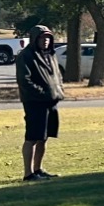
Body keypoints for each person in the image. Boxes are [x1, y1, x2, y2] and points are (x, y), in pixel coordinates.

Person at [16, 25, 64, 183]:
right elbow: (25, 80)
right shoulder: (26, 56)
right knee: (32, 137)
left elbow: (57, 75)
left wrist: (58, 90)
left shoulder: (51, 54)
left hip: (51, 101)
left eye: (48, 38)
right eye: (42, 38)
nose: (46, 41)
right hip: (34, 102)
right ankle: (28, 174)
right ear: (35, 39)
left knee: (44, 138)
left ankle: (38, 169)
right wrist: (42, 93)